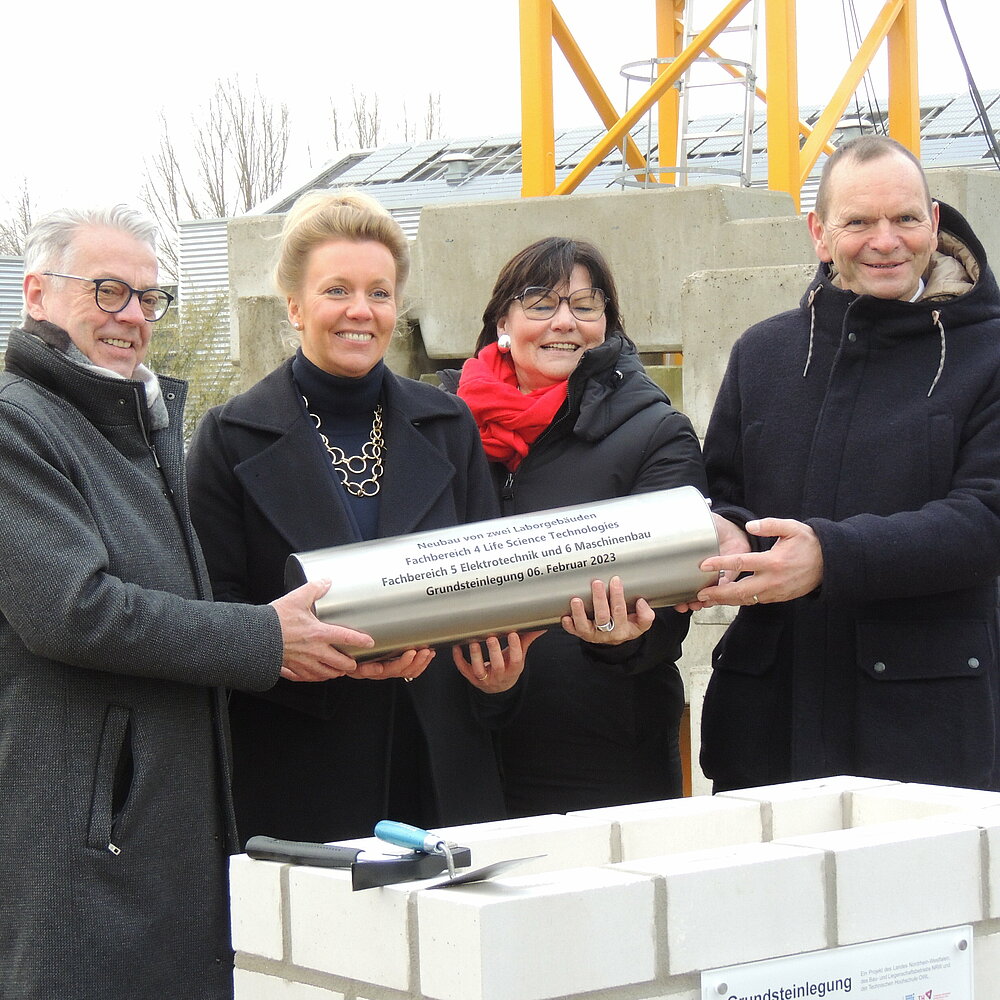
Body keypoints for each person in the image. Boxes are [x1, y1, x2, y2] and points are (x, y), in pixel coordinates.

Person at [0, 206, 388, 1000]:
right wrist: (263, 637)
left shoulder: (126, 421)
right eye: (109, 292)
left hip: (148, 828)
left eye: (150, 298)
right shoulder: (18, 424)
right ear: (37, 294)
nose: (133, 316)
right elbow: (74, 610)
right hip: (85, 838)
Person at [186, 189, 536, 845]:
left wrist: (500, 677)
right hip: (300, 773)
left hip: (443, 765)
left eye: (379, 292)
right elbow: (213, 611)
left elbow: (490, 585)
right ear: (294, 305)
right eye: (336, 290)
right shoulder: (230, 438)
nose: (360, 311)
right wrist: (287, 651)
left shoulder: (449, 423)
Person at [683, 135, 1000, 792]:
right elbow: (723, 495)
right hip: (768, 733)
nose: (885, 240)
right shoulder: (762, 353)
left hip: (923, 737)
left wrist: (829, 556)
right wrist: (727, 532)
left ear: (933, 224)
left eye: (906, 218)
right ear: (820, 234)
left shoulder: (990, 354)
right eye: (858, 222)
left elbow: (984, 520)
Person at [440, 236, 708, 816]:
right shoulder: (438, 428)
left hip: (601, 757)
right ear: (502, 322)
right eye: (541, 303)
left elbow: (669, 610)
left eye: (585, 306)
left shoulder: (657, 433)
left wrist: (622, 640)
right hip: (458, 745)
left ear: (607, 324)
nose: (565, 322)